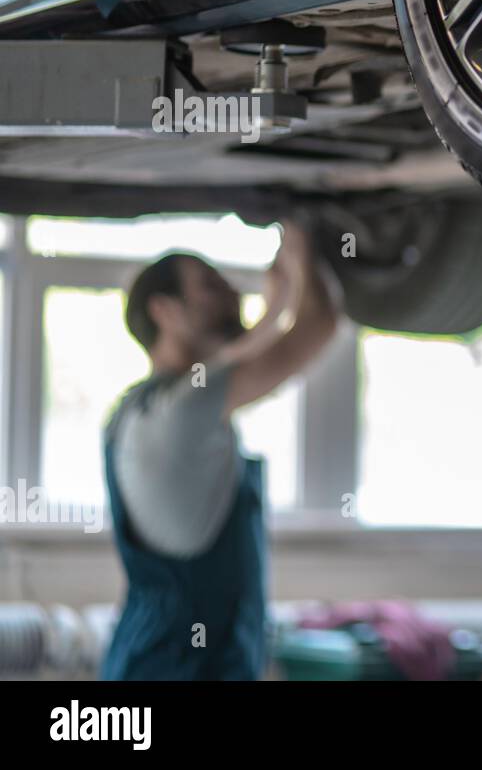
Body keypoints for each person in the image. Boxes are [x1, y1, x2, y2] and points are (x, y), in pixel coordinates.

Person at [101, 222, 340, 680]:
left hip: (154, 659)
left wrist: (280, 302)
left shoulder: (135, 410)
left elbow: (239, 356)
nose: (231, 292)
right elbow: (319, 326)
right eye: (210, 286)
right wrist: (304, 240)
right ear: (165, 311)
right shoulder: (186, 408)